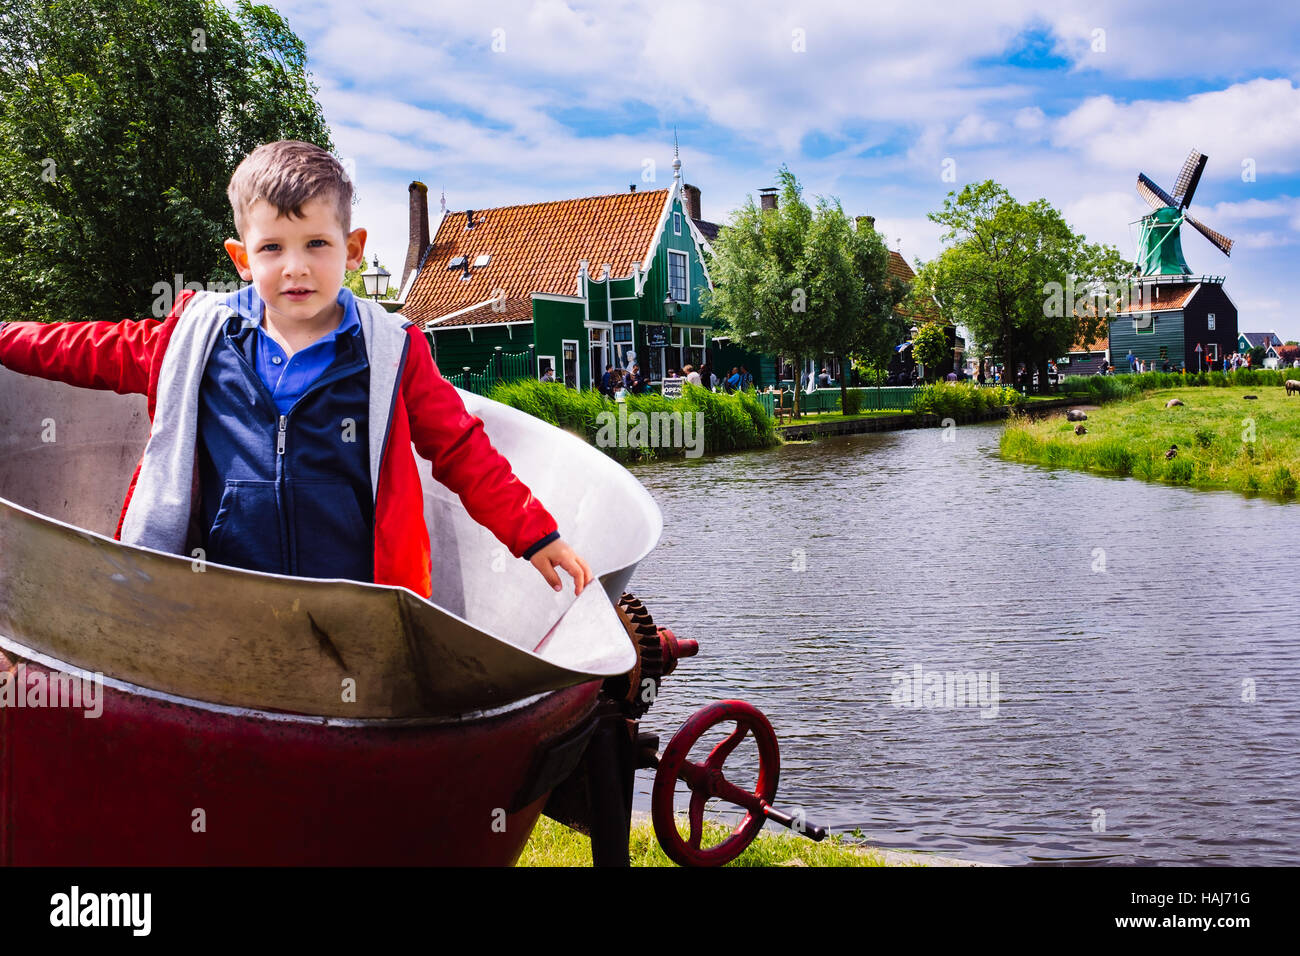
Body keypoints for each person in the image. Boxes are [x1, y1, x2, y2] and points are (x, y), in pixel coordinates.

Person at [0, 140, 591, 599]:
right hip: (224, 597)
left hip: (355, 600)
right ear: (241, 258)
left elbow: (462, 448)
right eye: (272, 248)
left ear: (352, 249)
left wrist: (533, 532)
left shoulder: (391, 350)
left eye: (316, 244)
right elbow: (85, 348)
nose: (295, 268)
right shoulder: (202, 340)